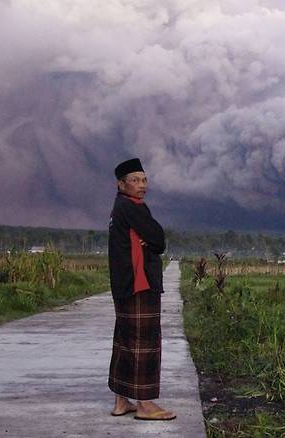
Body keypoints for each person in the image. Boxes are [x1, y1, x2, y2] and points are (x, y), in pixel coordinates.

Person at [107, 157, 176, 421]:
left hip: (124, 286)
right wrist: (151, 241)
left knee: (125, 342)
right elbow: (159, 239)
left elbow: (152, 240)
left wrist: (148, 240)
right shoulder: (133, 208)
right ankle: (145, 404)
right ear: (120, 184)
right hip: (140, 285)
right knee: (144, 344)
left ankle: (121, 401)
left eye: (144, 180)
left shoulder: (118, 208)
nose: (142, 185)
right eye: (135, 180)